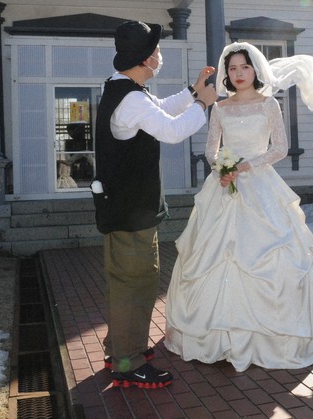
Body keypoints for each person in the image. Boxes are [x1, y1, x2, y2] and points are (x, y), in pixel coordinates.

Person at [164, 42, 313, 372]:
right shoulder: (220, 108)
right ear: (226, 74)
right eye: (232, 69)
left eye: (243, 67)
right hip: (223, 186)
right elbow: (212, 149)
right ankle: (214, 335)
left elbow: (280, 148)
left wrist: (246, 166)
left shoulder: (270, 104)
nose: (238, 74)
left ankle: (272, 336)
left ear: (255, 70)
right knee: (210, 255)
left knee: (275, 254)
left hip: (259, 183)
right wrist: (222, 168)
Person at [93, 20, 218, 389]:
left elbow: (160, 108)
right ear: (148, 60)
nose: (160, 56)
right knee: (138, 284)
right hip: (131, 211)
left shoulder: (124, 90)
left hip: (123, 208)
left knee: (125, 282)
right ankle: (127, 363)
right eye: (158, 51)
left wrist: (192, 92)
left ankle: (121, 348)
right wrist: (203, 104)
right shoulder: (131, 97)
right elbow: (172, 130)